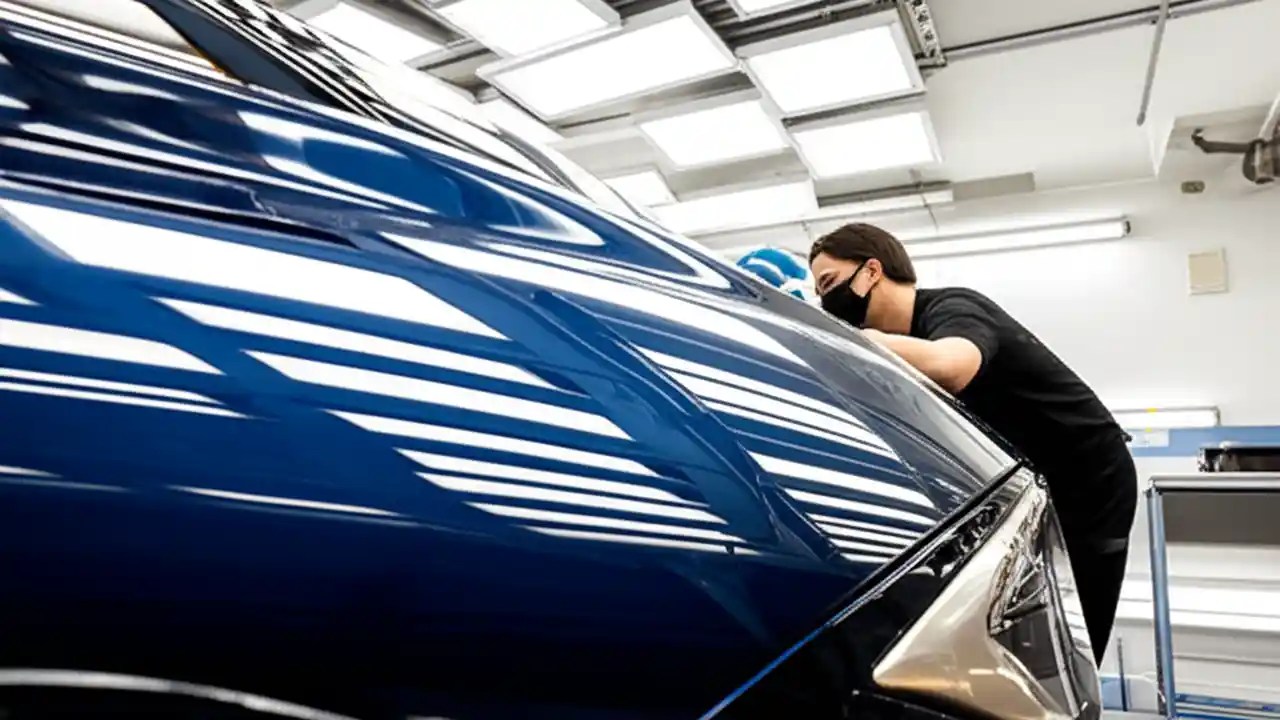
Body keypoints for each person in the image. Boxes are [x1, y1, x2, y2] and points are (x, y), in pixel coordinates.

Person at [808, 222, 1137, 664]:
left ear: (871, 271)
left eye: (829, 284)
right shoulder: (906, 348)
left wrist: (862, 342)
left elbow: (953, 366)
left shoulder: (952, 308)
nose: (826, 301)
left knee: (1070, 632)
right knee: (1016, 627)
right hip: (1033, 483)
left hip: (1092, 478)